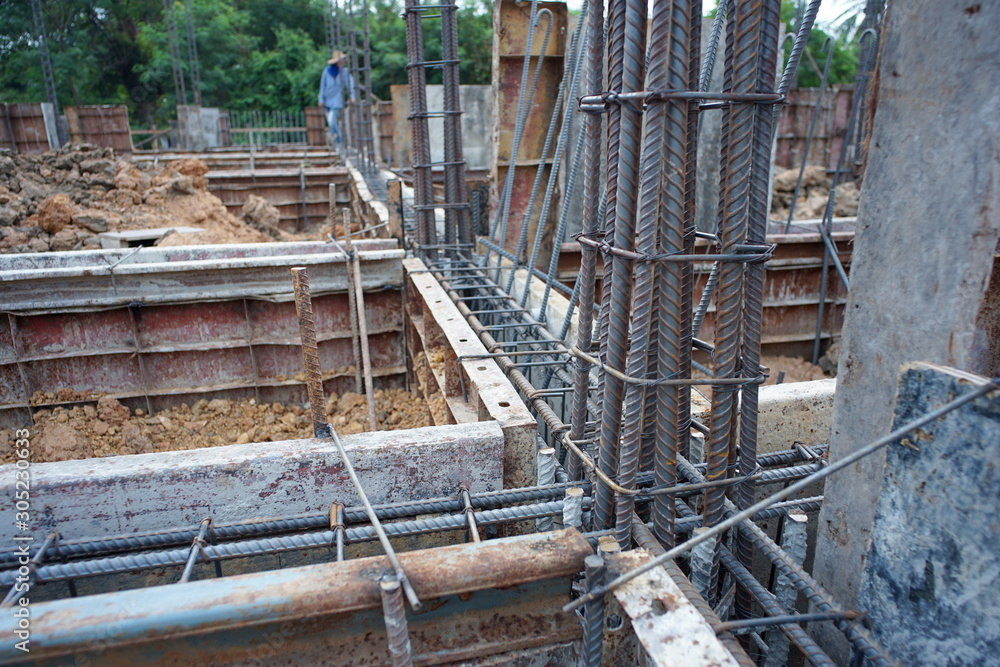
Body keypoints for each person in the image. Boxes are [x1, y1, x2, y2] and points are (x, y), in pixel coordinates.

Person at [318, 50, 356, 148]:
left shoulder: (344, 72)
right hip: (327, 101)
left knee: (331, 121)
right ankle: (335, 140)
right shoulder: (327, 71)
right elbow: (322, 86)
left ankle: (339, 140)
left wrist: (352, 96)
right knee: (331, 124)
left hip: (337, 101)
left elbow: (350, 85)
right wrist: (321, 99)